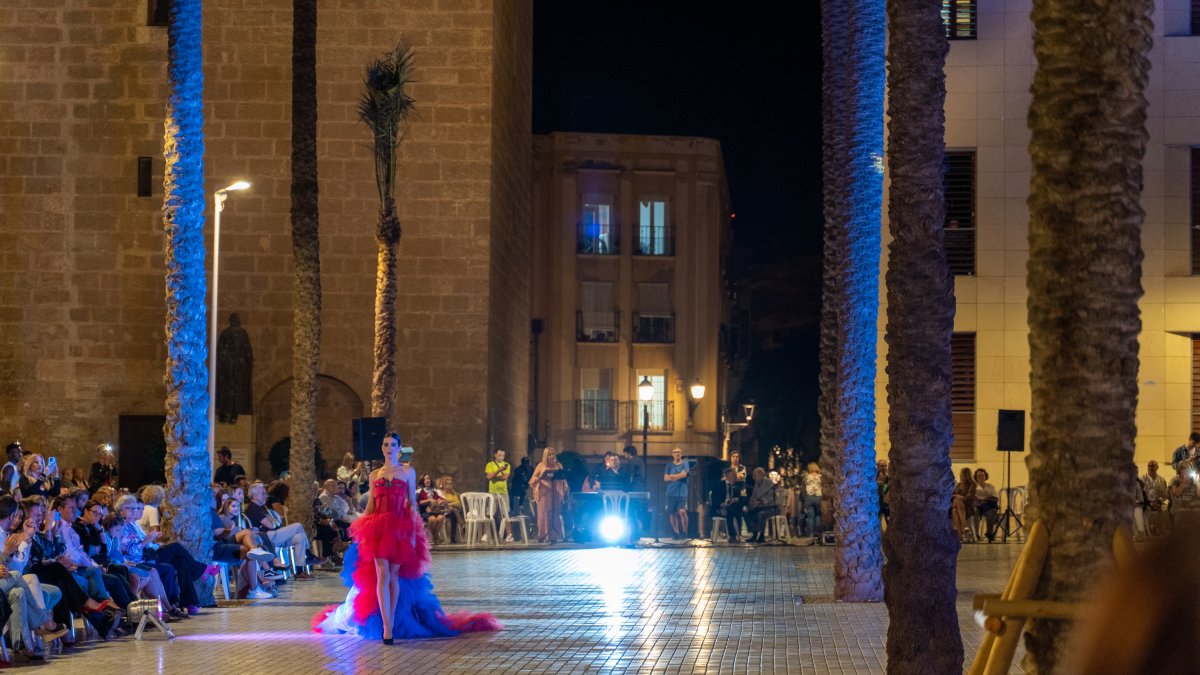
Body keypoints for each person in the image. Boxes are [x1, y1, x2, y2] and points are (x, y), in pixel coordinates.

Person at [312, 432, 500, 642]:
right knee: (382, 574)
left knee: (393, 576)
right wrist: (358, 527)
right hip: (378, 527)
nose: (389, 447)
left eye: (393, 444)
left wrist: (413, 532)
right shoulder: (375, 475)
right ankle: (387, 628)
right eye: (386, 444)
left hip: (400, 528)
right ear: (382, 448)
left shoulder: (408, 472)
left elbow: (411, 504)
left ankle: (391, 619)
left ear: (399, 448)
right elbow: (372, 506)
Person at [529, 447, 568, 544]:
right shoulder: (541, 465)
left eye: (553, 454)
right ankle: (543, 535)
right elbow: (533, 479)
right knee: (544, 514)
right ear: (545, 456)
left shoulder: (558, 465)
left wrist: (564, 488)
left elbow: (563, 479)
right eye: (549, 455)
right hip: (544, 493)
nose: (551, 456)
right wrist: (539, 478)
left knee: (555, 513)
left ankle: (554, 536)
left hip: (556, 493)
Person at [710, 468, 745, 544]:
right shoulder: (719, 484)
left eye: (735, 475)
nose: (735, 476)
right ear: (727, 475)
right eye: (733, 474)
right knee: (731, 511)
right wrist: (721, 504)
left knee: (737, 509)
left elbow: (741, 498)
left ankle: (737, 533)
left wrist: (737, 499)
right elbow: (714, 497)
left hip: (731, 507)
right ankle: (732, 536)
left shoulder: (736, 487)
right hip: (720, 508)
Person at [484, 449, 513, 542]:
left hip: (503, 492)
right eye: (499, 455)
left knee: (505, 513)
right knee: (490, 513)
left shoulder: (507, 465)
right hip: (493, 491)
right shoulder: (490, 465)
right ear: (495, 455)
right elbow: (489, 477)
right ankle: (486, 533)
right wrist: (499, 470)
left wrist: (495, 476)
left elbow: (505, 477)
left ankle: (509, 535)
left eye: (503, 455)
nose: (501, 457)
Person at [745, 467, 779, 544]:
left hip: (772, 508)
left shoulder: (769, 483)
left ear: (761, 475)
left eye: (755, 476)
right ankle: (754, 533)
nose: (753, 478)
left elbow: (771, 498)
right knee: (748, 514)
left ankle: (761, 535)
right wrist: (751, 505)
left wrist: (761, 502)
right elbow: (753, 496)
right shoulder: (757, 484)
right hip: (760, 507)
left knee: (761, 514)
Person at [663, 447, 690, 539]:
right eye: (675, 452)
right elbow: (666, 478)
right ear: (672, 454)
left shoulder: (685, 464)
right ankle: (676, 532)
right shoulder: (669, 466)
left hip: (682, 492)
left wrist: (672, 476)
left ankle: (684, 531)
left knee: (682, 511)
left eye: (679, 452)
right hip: (671, 492)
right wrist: (679, 476)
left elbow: (684, 475)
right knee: (672, 513)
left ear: (681, 454)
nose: (677, 454)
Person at [1141, 460, 1169, 535]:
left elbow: (1165, 495)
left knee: (1165, 509)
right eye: (1149, 466)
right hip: (1147, 503)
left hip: (1158, 503)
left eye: (1152, 466)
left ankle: (1162, 529)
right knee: (1145, 511)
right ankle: (1149, 530)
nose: (1150, 468)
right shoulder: (1143, 479)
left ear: (1157, 467)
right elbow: (1141, 494)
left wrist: (1159, 501)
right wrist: (1149, 503)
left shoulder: (1162, 480)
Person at [951, 467, 978, 542]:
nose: (960, 476)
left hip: (967, 506)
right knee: (956, 502)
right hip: (958, 505)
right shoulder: (959, 485)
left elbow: (970, 496)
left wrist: (960, 497)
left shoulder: (972, 484)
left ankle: (960, 535)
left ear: (965, 475)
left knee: (954, 510)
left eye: (961, 474)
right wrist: (957, 496)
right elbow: (952, 495)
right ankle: (964, 526)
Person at [974, 468, 999, 542]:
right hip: (977, 505)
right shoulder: (973, 486)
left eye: (982, 475)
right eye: (978, 476)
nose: (981, 477)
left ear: (985, 476)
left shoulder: (991, 486)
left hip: (987, 504)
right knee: (974, 511)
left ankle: (989, 532)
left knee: (993, 512)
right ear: (976, 477)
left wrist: (988, 498)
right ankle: (976, 534)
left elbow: (995, 497)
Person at [801, 462, 823, 539]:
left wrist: (804, 497)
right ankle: (818, 533)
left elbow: (803, 488)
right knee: (818, 515)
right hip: (818, 497)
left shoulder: (806, 477)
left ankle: (811, 534)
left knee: (810, 516)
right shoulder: (820, 477)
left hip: (809, 497)